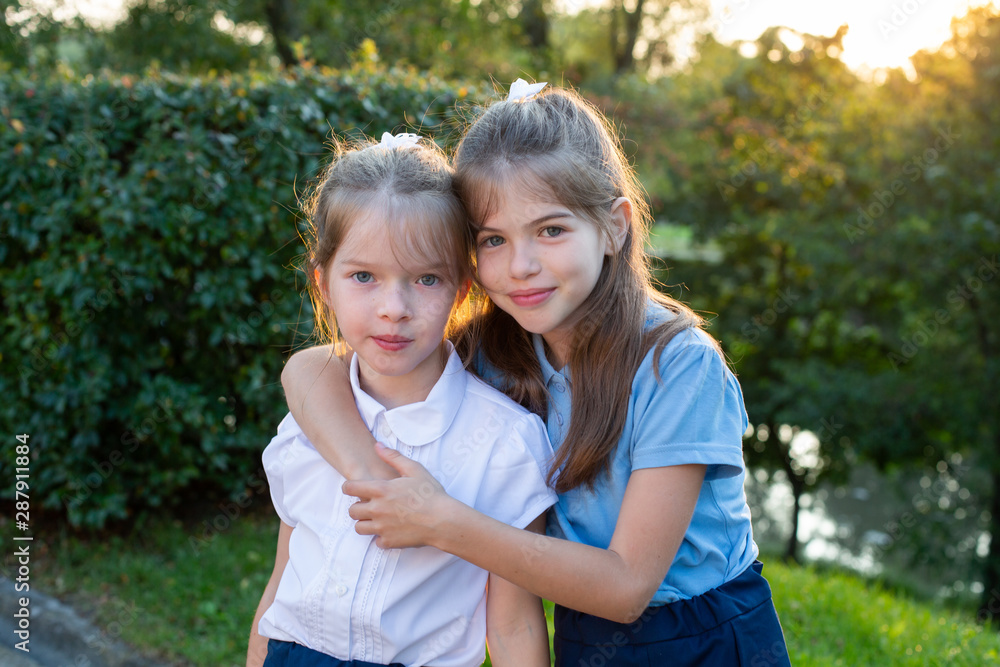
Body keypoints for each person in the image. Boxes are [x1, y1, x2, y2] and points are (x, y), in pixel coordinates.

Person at [279, 82, 791, 666]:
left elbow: (626, 589)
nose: (521, 267)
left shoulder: (677, 364)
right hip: (583, 627)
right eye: (493, 240)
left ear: (615, 226)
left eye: (551, 230)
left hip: (703, 637)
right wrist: (373, 480)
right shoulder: (492, 351)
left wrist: (440, 520)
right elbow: (310, 369)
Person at [246, 131, 557, 667]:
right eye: (363, 276)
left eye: (426, 279)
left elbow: (513, 629)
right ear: (324, 284)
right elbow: (281, 586)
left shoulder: (505, 443)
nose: (394, 307)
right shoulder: (309, 422)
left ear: (462, 290)